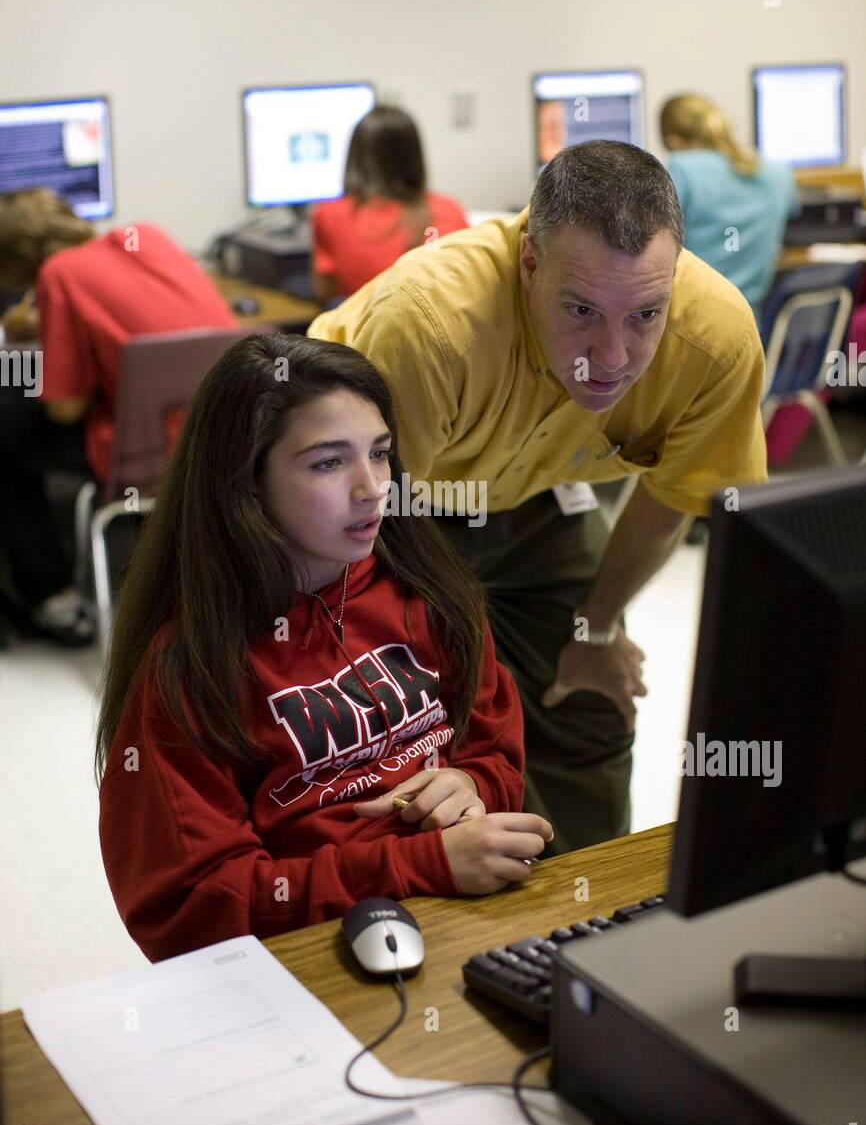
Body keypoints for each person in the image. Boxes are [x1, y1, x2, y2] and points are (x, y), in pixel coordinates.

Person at [308, 140, 768, 857]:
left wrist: (599, 630)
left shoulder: (716, 342)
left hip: (535, 498)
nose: (612, 356)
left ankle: (577, 920)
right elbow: (364, 528)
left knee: (588, 701)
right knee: (412, 735)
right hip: (374, 513)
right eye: (581, 308)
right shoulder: (430, 325)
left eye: (646, 314)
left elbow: (675, 492)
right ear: (530, 263)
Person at [96, 332, 552, 963]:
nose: (372, 489)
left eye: (381, 454)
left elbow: (494, 741)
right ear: (247, 482)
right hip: (308, 953)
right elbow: (195, 901)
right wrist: (418, 865)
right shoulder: (191, 667)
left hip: (456, 904)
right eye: (328, 463)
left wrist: (474, 785)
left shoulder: (427, 591)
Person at [0, 189, 236, 646]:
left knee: (5, 430)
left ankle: (54, 599)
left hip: (147, 452)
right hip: (228, 430)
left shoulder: (58, 273)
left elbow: (64, 408)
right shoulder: (144, 236)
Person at [660, 93, 799, 314]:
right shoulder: (779, 174)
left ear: (672, 141)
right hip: (752, 323)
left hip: (693, 321)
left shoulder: (682, 169)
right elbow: (794, 215)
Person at [311, 105, 468, 300]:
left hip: (359, 326)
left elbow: (326, 291)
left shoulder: (329, 214)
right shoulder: (447, 210)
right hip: (431, 326)